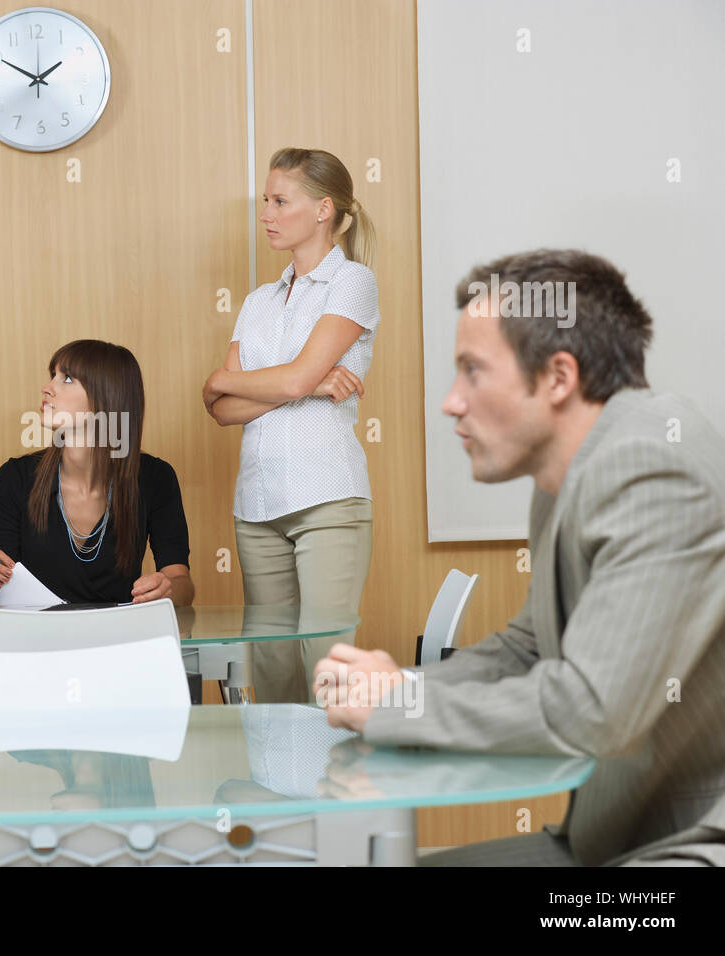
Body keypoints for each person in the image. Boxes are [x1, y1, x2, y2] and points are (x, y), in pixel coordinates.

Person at [314, 249, 725, 866]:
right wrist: (399, 686)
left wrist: (397, 706)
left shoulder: (651, 467)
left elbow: (592, 710)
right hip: (611, 838)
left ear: (558, 378)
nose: (452, 401)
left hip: (686, 849)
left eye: (472, 371)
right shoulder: (573, 471)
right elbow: (528, 649)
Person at [203, 147, 381, 703]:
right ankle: (285, 790)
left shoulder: (352, 283)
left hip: (326, 499)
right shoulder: (256, 301)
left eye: (281, 201)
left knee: (325, 668)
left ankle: (333, 787)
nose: (266, 213)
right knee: (274, 671)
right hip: (256, 508)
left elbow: (283, 382)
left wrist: (247, 380)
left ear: (324, 209)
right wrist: (299, 381)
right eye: (265, 201)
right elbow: (219, 406)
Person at [0, 340, 194, 607]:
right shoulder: (15, 477)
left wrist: (168, 590)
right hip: (37, 641)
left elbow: (181, 581)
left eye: (66, 378)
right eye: (52, 376)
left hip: (118, 641)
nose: (47, 388)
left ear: (106, 396)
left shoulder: (156, 478)